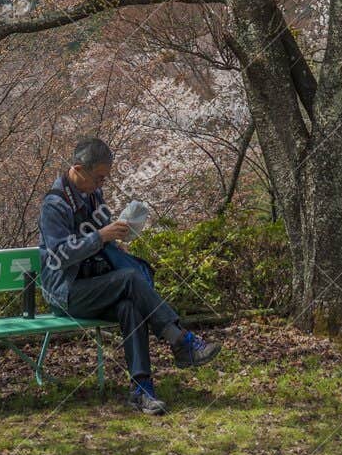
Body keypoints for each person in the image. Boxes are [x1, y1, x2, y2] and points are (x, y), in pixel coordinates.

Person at [38, 135, 220, 414]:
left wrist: (116, 235)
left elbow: (97, 241)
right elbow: (59, 256)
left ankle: (142, 389)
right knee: (130, 279)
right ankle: (180, 340)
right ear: (77, 169)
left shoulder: (92, 195)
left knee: (130, 306)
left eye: (104, 179)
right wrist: (100, 236)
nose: (101, 185)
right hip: (66, 292)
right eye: (98, 178)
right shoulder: (54, 205)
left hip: (96, 284)